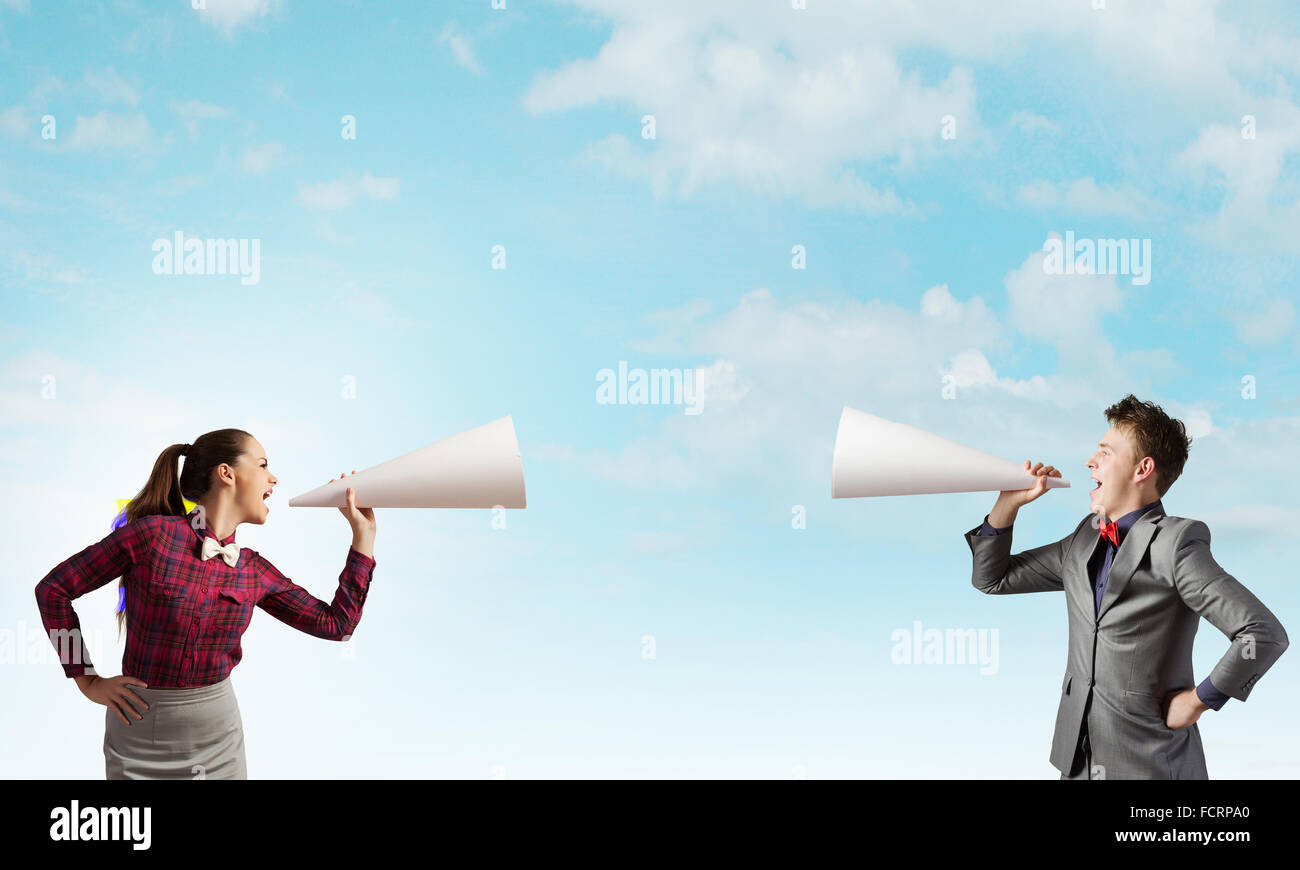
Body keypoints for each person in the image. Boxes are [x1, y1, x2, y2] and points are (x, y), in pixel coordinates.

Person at [964, 394, 1287, 779]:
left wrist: (1200, 700)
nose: (1089, 461)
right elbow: (992, 578)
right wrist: (1008, 505)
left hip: (1149, 762)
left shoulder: (1176, 543)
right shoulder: (1082, 538)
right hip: (1077, 759)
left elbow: (1262, 632)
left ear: (1142, 469)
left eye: (1105, 452)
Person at [34, 428, 377, 779]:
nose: (273, 478)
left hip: (218, 739)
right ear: (226, 473)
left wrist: (363, 538)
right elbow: (53, 591)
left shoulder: (254, 570)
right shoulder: (151, 536)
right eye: (262, 465)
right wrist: (86, 679)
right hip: (138, 732)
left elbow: (338, 626)